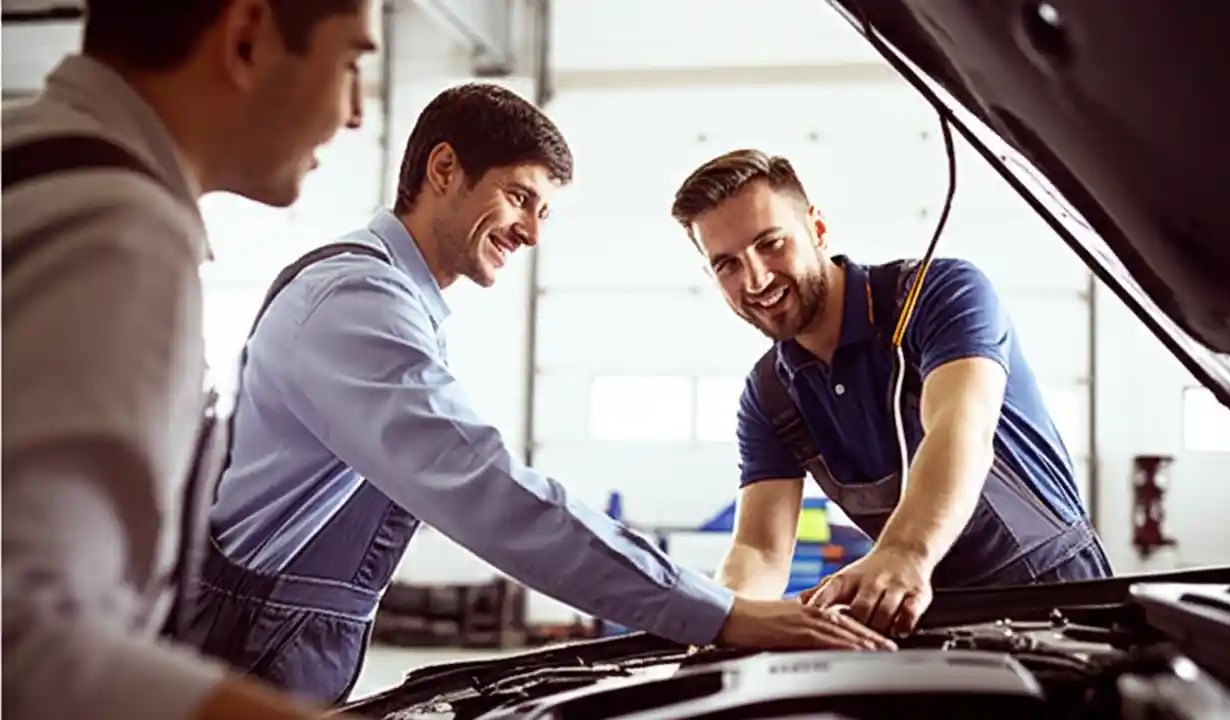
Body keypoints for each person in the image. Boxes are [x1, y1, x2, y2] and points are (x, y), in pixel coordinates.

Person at [180, 84, 895, 705]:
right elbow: (490, 495)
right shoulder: (356, 302)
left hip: (276, 646)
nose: (529, 232)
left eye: (544, 212)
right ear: (444, 169)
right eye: (520, 197)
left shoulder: (388, 300)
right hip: (241, 647)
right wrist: (718, 612)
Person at [2, 1, 378, 719]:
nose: (357, 112)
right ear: (245, 39)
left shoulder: (28, 159)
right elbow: (28, 648)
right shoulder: (116, 231)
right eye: (350, 64)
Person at [668, 148, 1113, 638]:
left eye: (771, 243)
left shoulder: (938, 294)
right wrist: (721, 626)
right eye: (727, 265)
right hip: (920, 612)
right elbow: (760, 549)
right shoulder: (771, 393)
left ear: (816, 230)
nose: (755, 278)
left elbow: (960, 427)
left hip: (1051, 591)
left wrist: (904, 552)